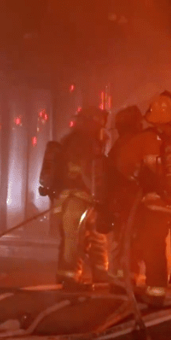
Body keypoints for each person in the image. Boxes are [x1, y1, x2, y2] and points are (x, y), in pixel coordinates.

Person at [114, 91, 171, 306]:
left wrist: (140, 178)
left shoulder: (143, 139)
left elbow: (123, 167)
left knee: (153, 246)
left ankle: (156, 292)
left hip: (154, 204)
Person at [47, 105, 112, 291]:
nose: (102, 125)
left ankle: (98, 274)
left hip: (79, 198)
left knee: (95, 235)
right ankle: (70, 276)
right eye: (99, 121)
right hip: (76, 198)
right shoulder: (82, 142)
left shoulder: (76, 140)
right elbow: (86, 171)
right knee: (74, 237)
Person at [106, 105, 145, 288]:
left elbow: (110, 173)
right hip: (137, 201)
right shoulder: (143, 142)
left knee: (123, 239)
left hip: (124, 201)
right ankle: (128, 277)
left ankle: (121, 278)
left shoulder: (121, 145)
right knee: (133, 239)